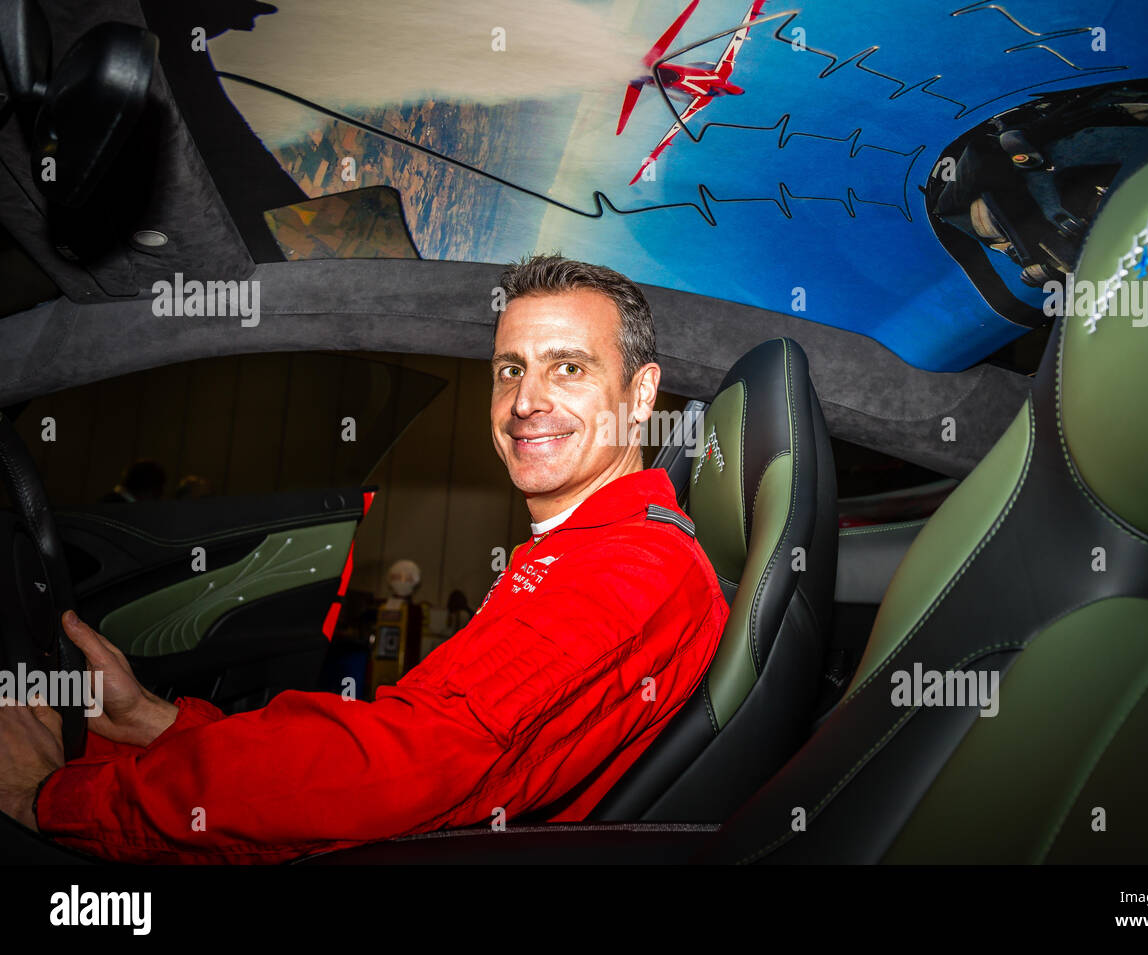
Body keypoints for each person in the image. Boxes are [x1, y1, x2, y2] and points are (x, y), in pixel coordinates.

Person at [0, 255, 729, 863]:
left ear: (640, 396)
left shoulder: (632, 565)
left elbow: (405, 764)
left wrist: (55, 803)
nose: (525, 401)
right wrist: (159, 722)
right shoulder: (593, 547)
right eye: (509, 369)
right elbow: (412, 741)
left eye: (567, 367)